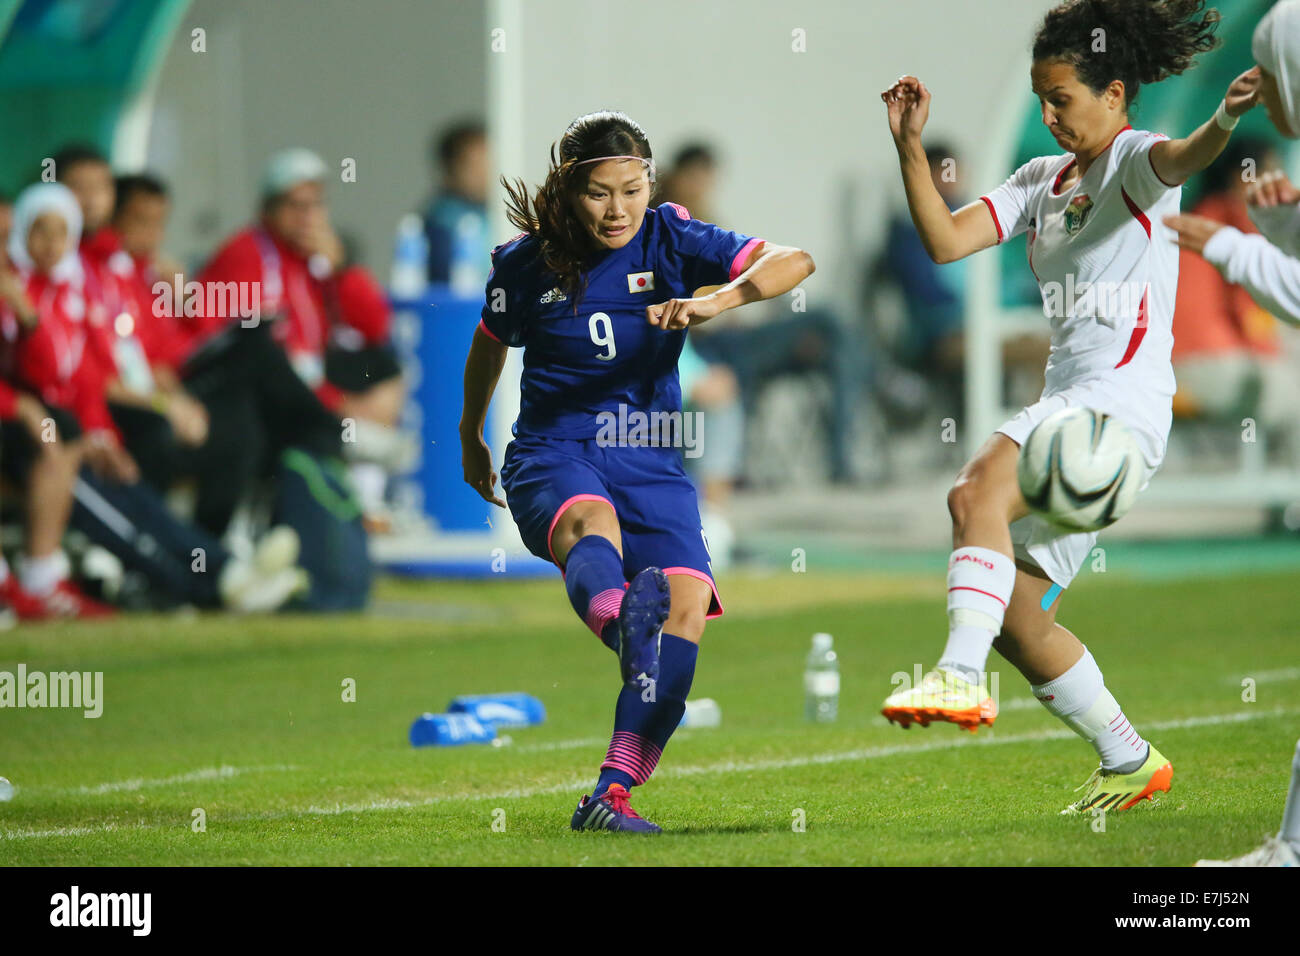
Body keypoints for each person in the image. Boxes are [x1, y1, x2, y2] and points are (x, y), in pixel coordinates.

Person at [877, 0, 1258, 815]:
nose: (1050, 117)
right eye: (1042, 99)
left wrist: (1224, 115)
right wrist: (910, 147)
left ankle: (957, 676)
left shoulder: (1130, 160)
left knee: (973, 491)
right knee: (1017, 618)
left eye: (1064, 99)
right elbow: (946, 241)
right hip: (1078, 404)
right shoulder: (1038, 182)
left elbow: (1185, 153)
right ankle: (1130, 758)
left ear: (1115, 94)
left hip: (1116, 408)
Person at [460, 111, 814, 832]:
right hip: (556, 450)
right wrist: (471, 436)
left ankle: (611, 794)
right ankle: (620, 621)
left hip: (651, 457)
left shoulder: (673, 236)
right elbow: (489, 342)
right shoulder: (527, 263)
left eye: (632, 189)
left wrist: (716, 299)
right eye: (599, 193)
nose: (618, 209)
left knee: (686, 607)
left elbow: (795, 261)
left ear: (650, 183)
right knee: (595, 523)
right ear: (569, 190)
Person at [6, 182, 305, 613]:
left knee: (144, 492)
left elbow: (85, 377)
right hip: (35, 438)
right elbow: (39, 378)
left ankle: (225, 572)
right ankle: (205, 588)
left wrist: (101, 434)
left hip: (72, 430)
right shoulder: (31, 294)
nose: (50, 244)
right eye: (38, 232)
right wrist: (28, 396)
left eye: (60, 233)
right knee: (121, 508)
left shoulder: (64, 292)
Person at [199, 148, 407, 527]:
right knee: (267, 352)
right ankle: (344, 446)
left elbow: (376, 326)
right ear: (268, 209)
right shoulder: (246, 253)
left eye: (315, 206)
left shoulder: (314, 259)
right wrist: (334, 402)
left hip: (308, 376)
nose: (308, 217)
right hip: (252, 387)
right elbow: (238, 339)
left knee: (383, 365)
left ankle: (364, 488)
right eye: (296, 206)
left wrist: (342, 269)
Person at [1166, 0, 1300, 325]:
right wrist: (1288, 227)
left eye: (1267, 72)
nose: (1258, 87)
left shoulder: (1218, 217)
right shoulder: (1224, 213)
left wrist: (1232, 249)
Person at [1170, 138, 1300, 459]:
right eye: (1270, 173)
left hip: (1178, 361)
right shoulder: (1232, 218)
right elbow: (1249, 310)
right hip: (1201, 363)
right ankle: (1287, 499)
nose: (1280, 184)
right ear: (1242, 178)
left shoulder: (1201, 215)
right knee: (1291, 395)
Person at [422, 120, 491, 287]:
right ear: (451, 171)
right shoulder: (442, 220)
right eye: (475, 166)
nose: (486, 173)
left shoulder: (499, 211)